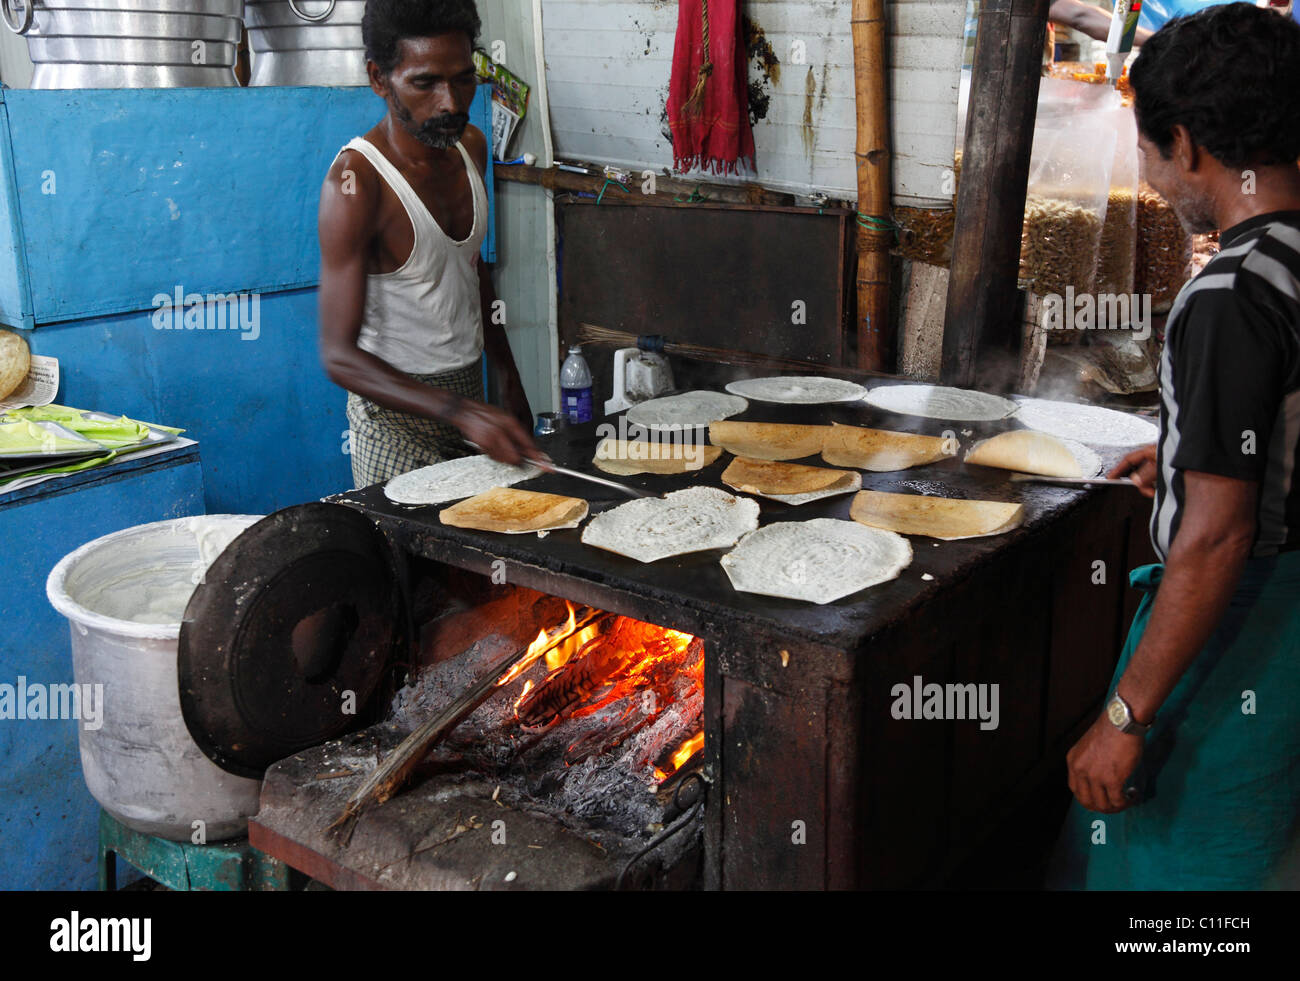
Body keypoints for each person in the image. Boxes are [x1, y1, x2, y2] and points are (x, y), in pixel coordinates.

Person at [1052, 2, 1300, 889]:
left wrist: (1125, 714)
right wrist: (1195, 459)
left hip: (1250, 624)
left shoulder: (1232, 291)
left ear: (1187, 144)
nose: (1152, 176)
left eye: (1150, 153)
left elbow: (1221, 538)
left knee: (1178, 868)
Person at [318, 0, 538, 487]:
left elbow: (469, 269)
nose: (452, 102)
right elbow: (337, 354)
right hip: (394, 423)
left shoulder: (471, 148)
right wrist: (463, 412)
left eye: (463, 79)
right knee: (410, 559)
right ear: (379, 78)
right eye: (425, 83)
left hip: (469, 396)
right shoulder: (355, 183)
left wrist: (507, 380)